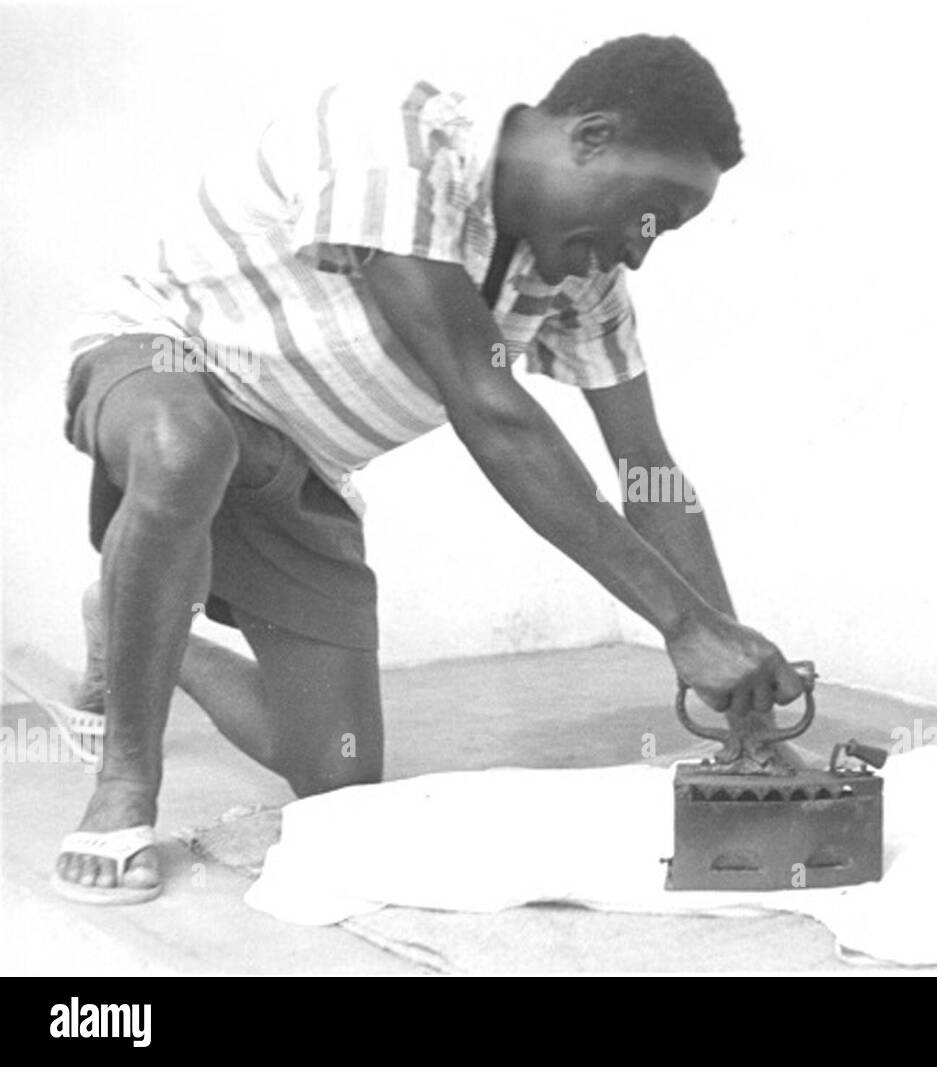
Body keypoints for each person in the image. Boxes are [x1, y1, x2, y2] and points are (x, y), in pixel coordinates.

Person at [54, 34, 805, 904]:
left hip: (299, 468)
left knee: (336, 776)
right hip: (169, 370)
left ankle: (133, 621)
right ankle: (123, 785)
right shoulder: (400, 141)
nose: (637, 252)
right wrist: (681, 623)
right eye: (651, 213)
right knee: (189, 447)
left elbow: (649, 470)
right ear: (591, 138)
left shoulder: (583, 281)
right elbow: (490, 410)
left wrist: (733, 673)